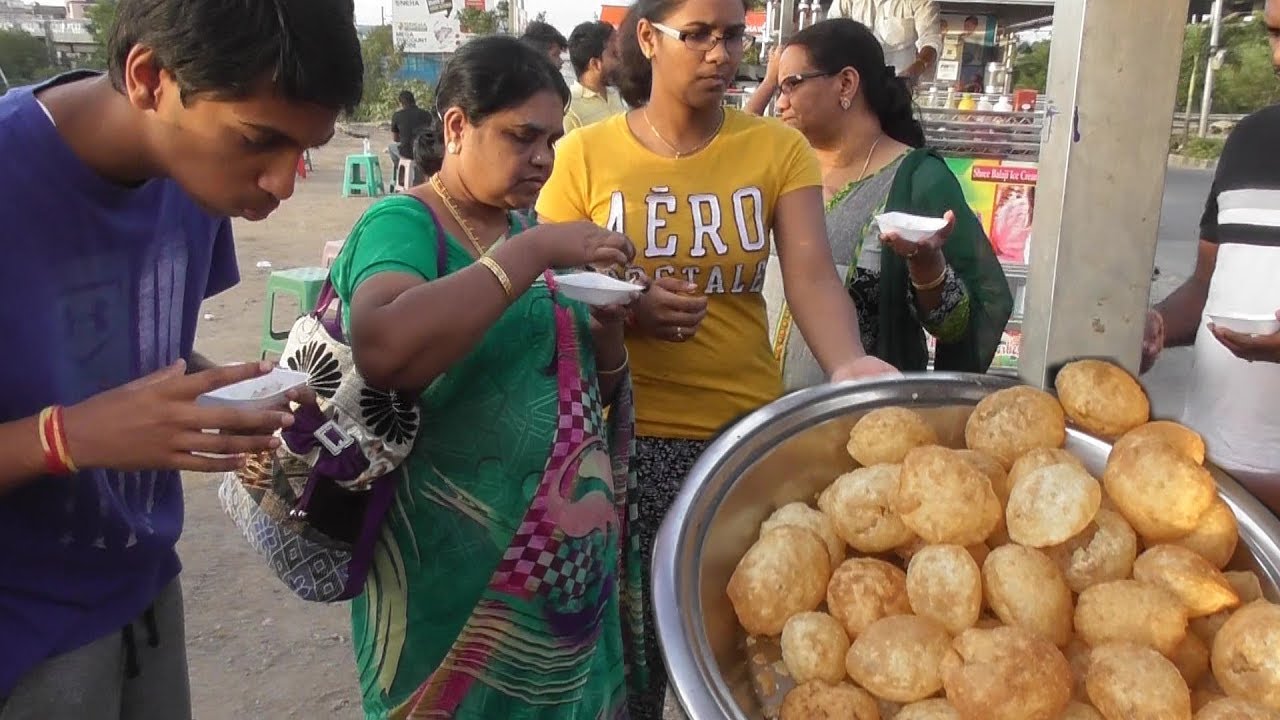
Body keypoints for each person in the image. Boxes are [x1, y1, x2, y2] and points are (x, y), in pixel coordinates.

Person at [535, 1, 899, 716]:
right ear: (648, 38)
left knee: (742, 659)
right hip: (621, 442)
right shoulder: (585, 153)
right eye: (697, 34)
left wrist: (848, 363)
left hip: (736, 443)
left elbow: (812, 276)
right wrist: (630, 305)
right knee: (627, 663)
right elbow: (546, 282)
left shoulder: (775, 150)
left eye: (733, 35)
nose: (720, 53)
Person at [0, 0, 363, 717]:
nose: (285, 183)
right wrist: (63, 438)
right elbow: (85, 409)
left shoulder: (192, 178)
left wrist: (235, 392)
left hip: (142, 591)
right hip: (26, 634)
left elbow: (140, 351)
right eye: (260, 140)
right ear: (149, 76)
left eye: (303, 150)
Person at [330, 35, 644, 719]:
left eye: (553, 140)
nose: (542, 158)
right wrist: (532, 250)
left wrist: (610, 330)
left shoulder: (526, 227)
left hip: (559, 581)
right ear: (455, 127)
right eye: (522, 136)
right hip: (450, 583)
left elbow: (594, 394)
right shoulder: (405, 223)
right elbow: (383, 346)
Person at [760, 19, 1011, 389]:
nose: (780, 102)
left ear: (846, 83)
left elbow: (958, 323)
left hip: (863, 422)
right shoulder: (780, 168)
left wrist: (928, 271)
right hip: (762, 419)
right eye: (777, 88)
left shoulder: (917, 179)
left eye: (792, 85)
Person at [1141, 0, 1280, 515]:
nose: (1278, 58)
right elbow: (1206, 283)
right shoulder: (1250, 141)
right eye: (1272, 34)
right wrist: (1158, 322)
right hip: (1211, 471)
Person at [822, 0, 940, 81]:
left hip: (900, 84)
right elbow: (832, 34)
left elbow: (930, 40)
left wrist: (918, 66)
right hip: (857, 83)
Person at [565, 20, 627, 133]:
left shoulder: (616, 95)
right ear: (595, 64)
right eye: (615, 54)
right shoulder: (571, 110)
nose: (620, 61)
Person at [389, 89, 434, 186]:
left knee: (391, 148)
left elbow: (395, 139)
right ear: (414, 100)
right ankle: (418, 177)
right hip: (423, 150)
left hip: (406, 152)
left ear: (401, 103)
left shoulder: (397, 116)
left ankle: (402, 174)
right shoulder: (426, 114)